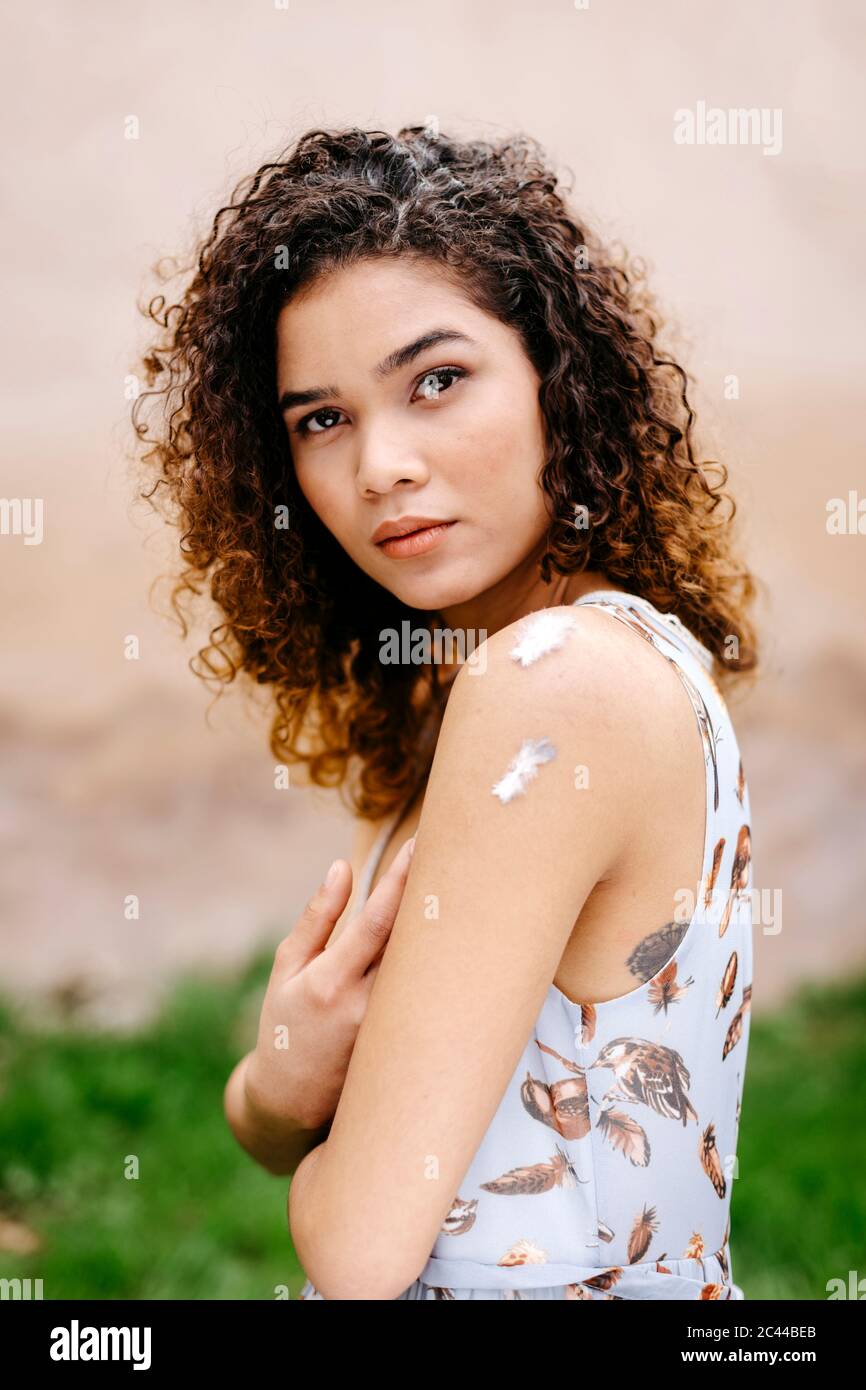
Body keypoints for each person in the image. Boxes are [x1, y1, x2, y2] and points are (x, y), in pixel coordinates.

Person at [133, 125, 759, 1300]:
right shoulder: (538, 664)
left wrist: (284, 1095)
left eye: (435, 380)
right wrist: (281, 1083)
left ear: (555, 377)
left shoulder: (554, 685)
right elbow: (295, 1123)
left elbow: (357, 1248)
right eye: (320, 418)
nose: (380, 465)